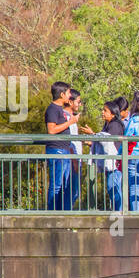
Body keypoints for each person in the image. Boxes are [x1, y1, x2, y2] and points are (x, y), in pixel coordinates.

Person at [44, 81, 77, 210]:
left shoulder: (60, 109)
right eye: (69, 93)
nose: (70, 95)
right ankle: (52, 212)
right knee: (56, 184)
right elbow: (51, 130)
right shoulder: (52, 109)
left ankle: (60, 211)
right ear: (62, 94)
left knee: (63, 184)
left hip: (64, 150)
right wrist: (71, 122)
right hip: (57, 150)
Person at [94, 96, 128, 211]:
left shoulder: (115, 125)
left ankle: (119, 213)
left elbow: (108, 143)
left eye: (105, 111)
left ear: (113, 114)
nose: (102, 113)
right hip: (111, 162)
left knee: (114, 187)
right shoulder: (108, 124)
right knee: (112, 188)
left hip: (115, 163)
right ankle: (117, 211)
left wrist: (93, 135)